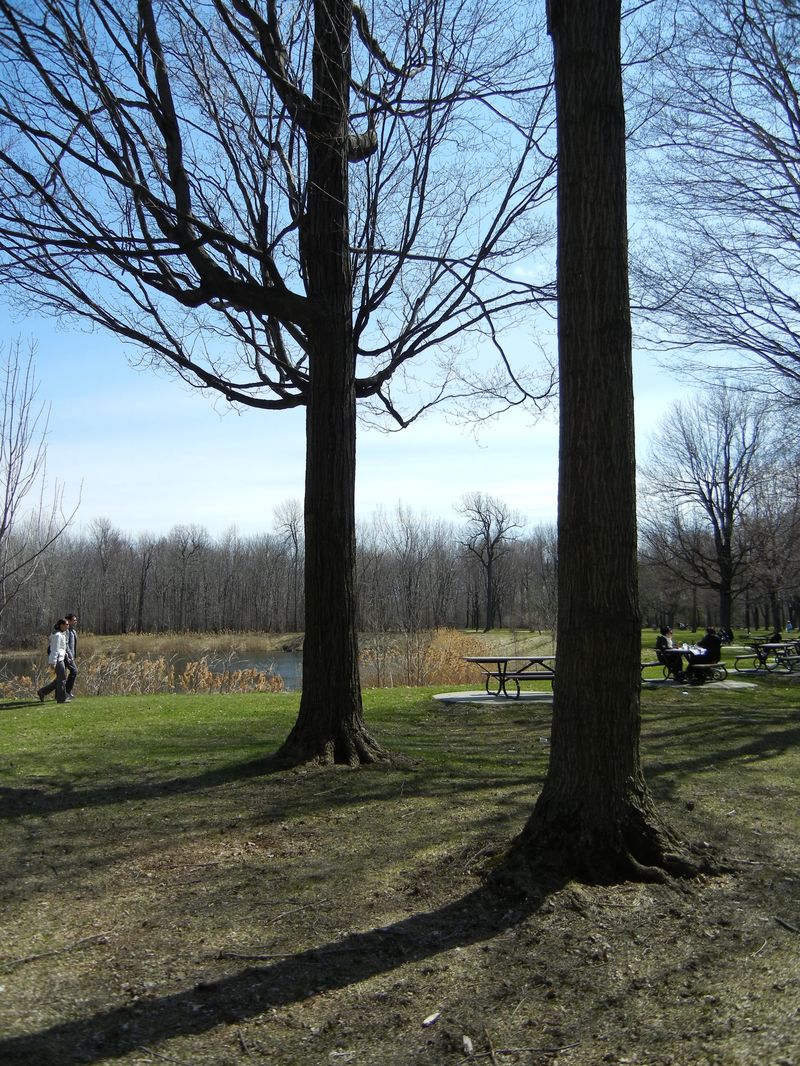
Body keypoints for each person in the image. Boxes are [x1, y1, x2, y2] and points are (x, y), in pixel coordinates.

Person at [37, 618, 69, 704]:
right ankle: (61, 699)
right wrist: (53, 663)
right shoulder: (57, 635)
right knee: (62, 679)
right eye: (66, 624)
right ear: (61, 625)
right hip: (58, 660)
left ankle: (42, 692)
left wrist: (66, 656)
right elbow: (54, 650)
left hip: (60, 659)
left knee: (59, 680)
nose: (67, 626)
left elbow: (62, 649)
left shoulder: (61, 634)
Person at [64, 612, 78, 701]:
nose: (75, 622)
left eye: (76, 620)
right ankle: (67, 692)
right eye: (74, 620)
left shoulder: (73, 630)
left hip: (71, 656)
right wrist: (70, 656)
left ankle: (64, 692)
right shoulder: (67, 631)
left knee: (62, 677)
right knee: (74, 671)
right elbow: (66, 645)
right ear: (69, 620)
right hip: (66, 657)